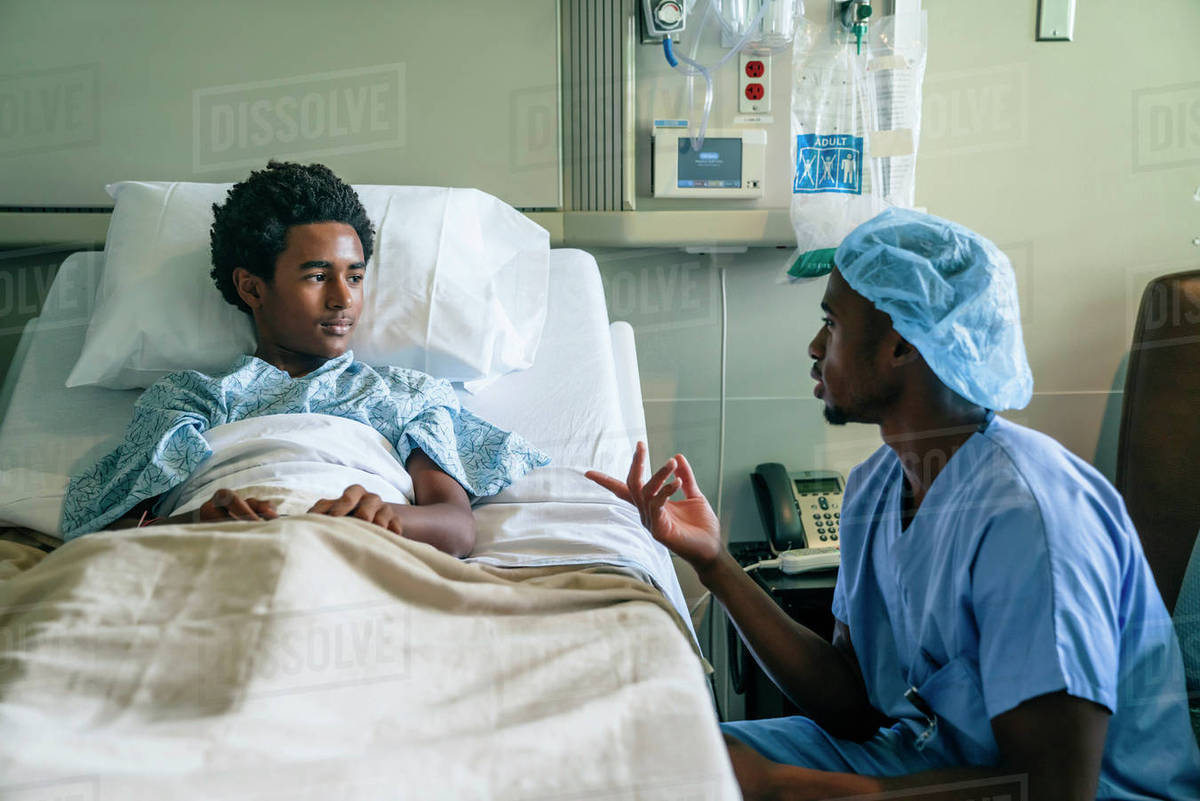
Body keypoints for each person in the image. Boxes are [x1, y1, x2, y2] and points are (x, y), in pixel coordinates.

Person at [588, 209, 1200, 800]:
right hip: (917, 757)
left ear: (902, 345)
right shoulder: (875, 487)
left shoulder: (1029, 517)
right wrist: (715, 563)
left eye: (831, 324)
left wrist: (796, 789)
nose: (812, 346)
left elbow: (1052, 789)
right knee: (662, 764)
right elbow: (851, 703)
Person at [61, 161, 548, 555]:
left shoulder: (403, 396)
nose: (343, 299)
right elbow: (104, 534)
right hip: (217, 556)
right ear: (252, 287)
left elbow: (458, 528)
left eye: (354, 277)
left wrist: (386, 516)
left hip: (363, 556)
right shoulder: (192, 399)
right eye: (318, 277)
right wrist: (187, 524)